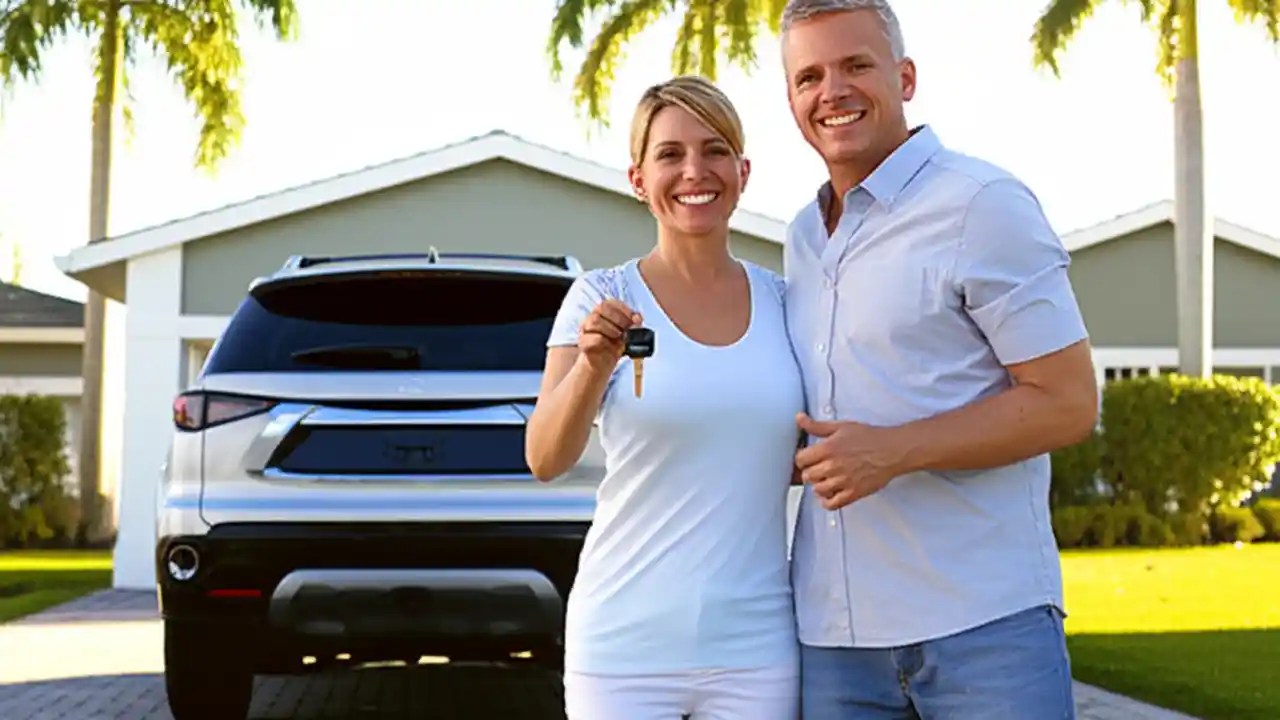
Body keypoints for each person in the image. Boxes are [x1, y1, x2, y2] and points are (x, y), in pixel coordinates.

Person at [776, 0, 1101, 718]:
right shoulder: (802, 236)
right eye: (809, 76)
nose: (832, 91)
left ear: (905, 76)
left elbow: (1069, 400)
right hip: (835, 641)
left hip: (983, 629)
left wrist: (891, 451)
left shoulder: (982, 204)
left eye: (856, 65)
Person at [524, 75, 805, 719]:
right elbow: (544, 457)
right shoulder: (600, 298)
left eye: (714, 150)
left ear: (743, 170)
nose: (694, 171)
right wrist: (594, 364)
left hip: (757, 647)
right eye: (670, 154)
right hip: (623, 648)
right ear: (638, 178)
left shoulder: (790, 304)